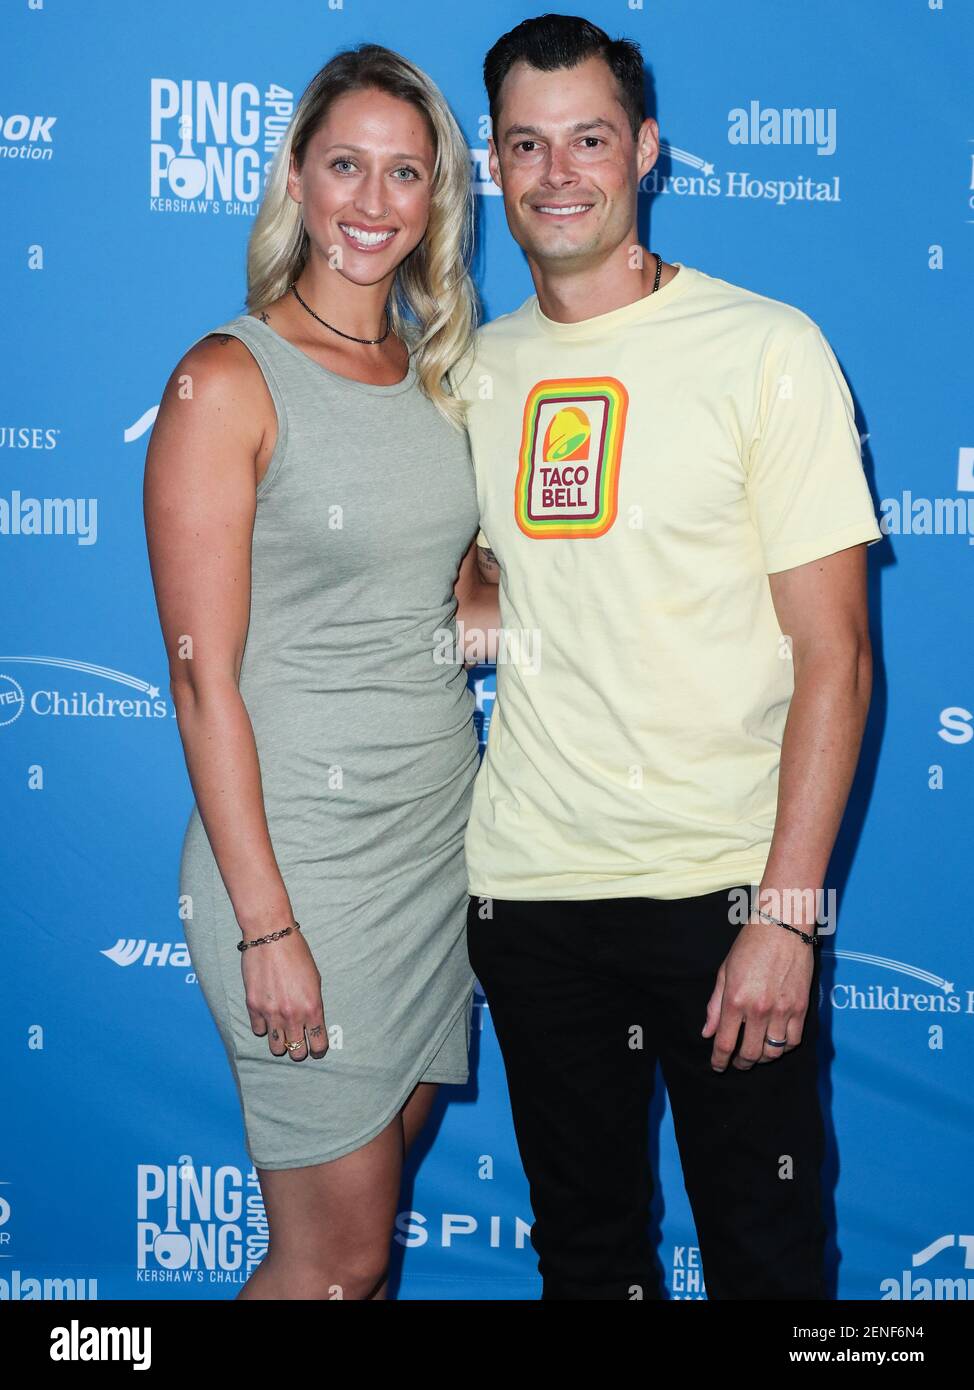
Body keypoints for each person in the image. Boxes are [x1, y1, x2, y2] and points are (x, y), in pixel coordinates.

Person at [453, 14, 883, 1300]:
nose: (557, 171)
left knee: (768, 1266)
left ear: (644, 150)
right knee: (588, 1262)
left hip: (723, 893)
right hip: (528, 895)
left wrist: (786, 919)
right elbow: (488, 586)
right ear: (493, 163)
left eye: (587, 137)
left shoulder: (766, 349)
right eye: (525, 143)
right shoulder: (474, 369)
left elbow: (837, 658)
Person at [143, 43, 498, 1301]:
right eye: (345, 163)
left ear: (435, 198)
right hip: (297, 861)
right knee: (334, 1262)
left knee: (359, 1245)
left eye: (405, 172)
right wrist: (268, 925)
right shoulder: (228, 378)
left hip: (430, 851)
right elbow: (201, 680)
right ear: (296, 175)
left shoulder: (441, 377)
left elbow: (452, 603)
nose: (372, 199)